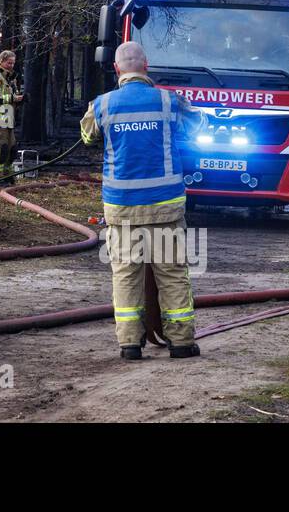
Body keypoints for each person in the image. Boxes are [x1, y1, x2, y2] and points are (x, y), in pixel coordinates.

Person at [79, 41, 208, 360]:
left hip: (121, 208)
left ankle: (130, 344)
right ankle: (180, 343)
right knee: (172, 274)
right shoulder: (169, 101)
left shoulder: (103, 105)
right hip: (164, 206)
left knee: (125, 275)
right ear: (146, 66)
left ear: (117, 69)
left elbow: (86, 136)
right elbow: (200, 126)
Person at [0, 49, 25, 182]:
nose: (11, 66)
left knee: (12, 150)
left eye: (13, 63)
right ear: (1, 61)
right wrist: (14, 98)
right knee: (0, 149)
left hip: (9, 118)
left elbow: (13, 98)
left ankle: (7, 176)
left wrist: (22, 99)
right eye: (9, 63)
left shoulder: (10, 78)